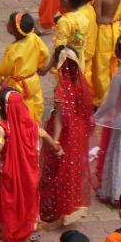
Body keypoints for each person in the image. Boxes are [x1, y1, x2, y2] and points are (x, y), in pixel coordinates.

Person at [0, 86, 43, 242]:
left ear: (3, 107)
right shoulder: (31, 125)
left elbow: (0, 143)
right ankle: (25, 229)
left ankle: (4, 236)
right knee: (25, 199)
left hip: (8, 174)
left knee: (7, 201)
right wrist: (56, 147)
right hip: (27, 173)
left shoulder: (2, 127)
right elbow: (44, 134)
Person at [38, 47, 93, 227]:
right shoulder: (79, 82)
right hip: (77, 130)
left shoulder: (62, 88)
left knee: (58, 171)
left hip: (65, 133)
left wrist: (54, 140)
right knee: (73, 168)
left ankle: (58, 211)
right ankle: (71, 207)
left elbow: (60, 118)